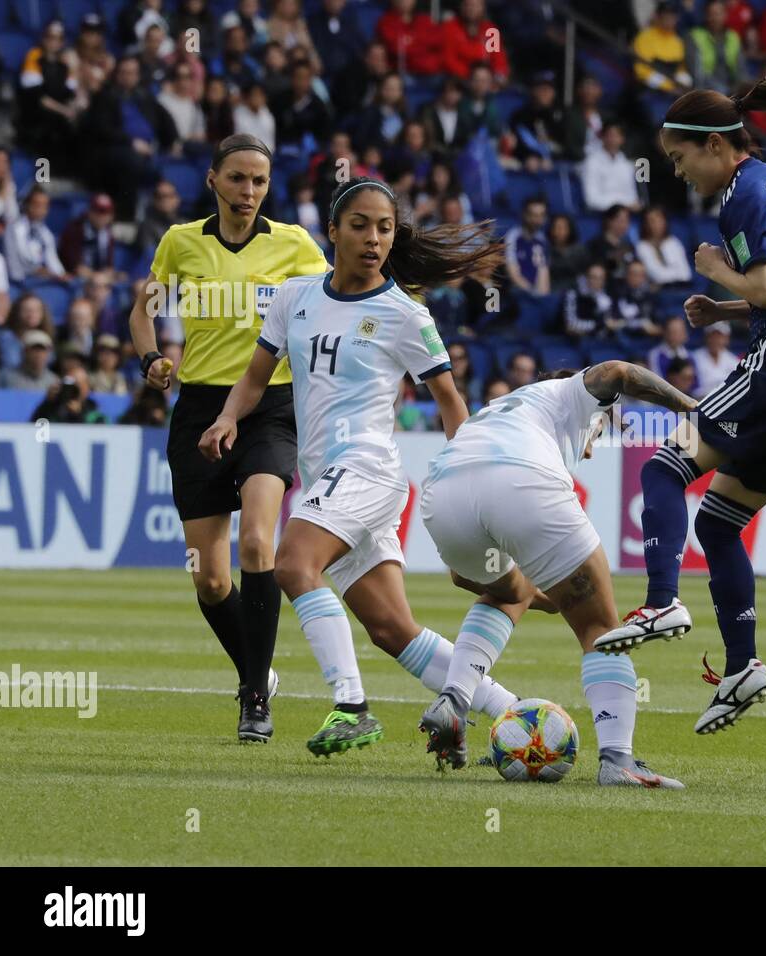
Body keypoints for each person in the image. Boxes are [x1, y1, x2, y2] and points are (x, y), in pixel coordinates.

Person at [199, 176, 524, 757]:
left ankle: (351, 706)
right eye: (360, 226)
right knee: (393, 630)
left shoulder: (405, 314)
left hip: (368, 469)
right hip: (326, 477)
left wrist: (474, 475)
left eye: (384, 228)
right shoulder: (295, 297)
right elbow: (255, 378)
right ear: (332, 231)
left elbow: (450, 401)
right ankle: (518, 715)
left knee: (292, 565)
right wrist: (227, 419)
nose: (374, 239)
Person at [592, 63, 766, 739]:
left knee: (661, 468)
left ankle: (659, 603)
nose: (678, 173)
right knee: (719, 522)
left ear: (714, 145)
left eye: (679, 159)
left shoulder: (741, 195)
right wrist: (725, 309)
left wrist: (714, 273)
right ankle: (741, 665)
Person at [129, 133, 330, 744]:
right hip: (198, 408)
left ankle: (252, 701)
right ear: (213, 180)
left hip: (270, 406)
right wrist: (150, 359)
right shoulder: (181, 243)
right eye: (238, 179)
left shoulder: (294, 245)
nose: (249, 191)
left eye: (260, 181)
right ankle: (259, 671)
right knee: (211, 581)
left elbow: (340, 298)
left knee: (258, 541)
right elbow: (144, 312)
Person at [419, 362, 697, 787]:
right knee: (601, 627)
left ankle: (455, 698)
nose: (589, 451)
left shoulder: (502, 408)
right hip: (520, 477)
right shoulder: (571, 393)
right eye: (598, 433)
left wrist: (550, 598)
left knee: (507, 593)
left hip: (442, 494)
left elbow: (464, 578)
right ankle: (617, 761)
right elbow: (620, 372)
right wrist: (689, 407)